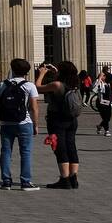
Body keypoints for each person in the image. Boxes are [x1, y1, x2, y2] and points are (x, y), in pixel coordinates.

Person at [0, 58, 40, 191]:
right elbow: (34, 107)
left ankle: (6, 181)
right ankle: (25, 182)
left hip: (6, 123)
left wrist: (3, 115)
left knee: (6, 151)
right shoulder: (29, 85)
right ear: (26, 72)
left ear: (12, 69)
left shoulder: (3, 84)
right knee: (25, 152)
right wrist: (35, 124)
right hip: (24, 122)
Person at [34, 60, 81, 189]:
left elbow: (37, 87)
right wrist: (55, 71)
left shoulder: (56, 85)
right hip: (72, 120)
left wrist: (42, 74)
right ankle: (73, 177)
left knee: (60, 148)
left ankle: (64, 179)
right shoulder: (75, 84)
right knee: (71, 146)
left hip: (57, 120)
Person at [92, 67, 112, 136]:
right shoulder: (99, 83)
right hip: (100, 102)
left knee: (108, 117)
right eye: (102, 75)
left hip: (107, 102)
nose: (104, 76)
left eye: (104, 76)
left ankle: (99, 126)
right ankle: (106, 130)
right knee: (105, 117)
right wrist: (99, 79)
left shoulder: (108, 84)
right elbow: (94, 90)